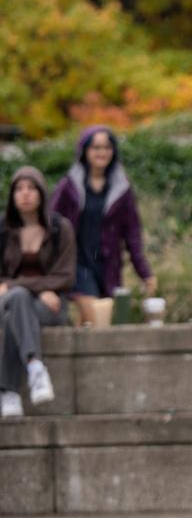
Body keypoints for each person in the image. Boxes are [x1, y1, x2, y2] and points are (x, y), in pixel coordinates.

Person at [48, 126, 155, 304]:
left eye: (107, 147)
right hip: (75, 263)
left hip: (107, 267)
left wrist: (145, 273)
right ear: (85, 151)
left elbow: (132, 235)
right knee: (94, 308)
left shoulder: (122, 190)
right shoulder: (68, 187)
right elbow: (51, 226)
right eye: (96, 148)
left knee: (98, 320)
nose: (102, 152)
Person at [1, 168, 72, 415]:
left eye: (31, 188)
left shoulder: (60, 228)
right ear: (12, 195)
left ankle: (9, 392)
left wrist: (17, 285)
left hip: (50, 305)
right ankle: (35, 367)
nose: (25, 194)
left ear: (41, 192)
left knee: (16, 311)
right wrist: (38, 288)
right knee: (17, 300)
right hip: (7, 301)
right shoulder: (3, 230)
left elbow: (65, 276)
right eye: (19, 189)